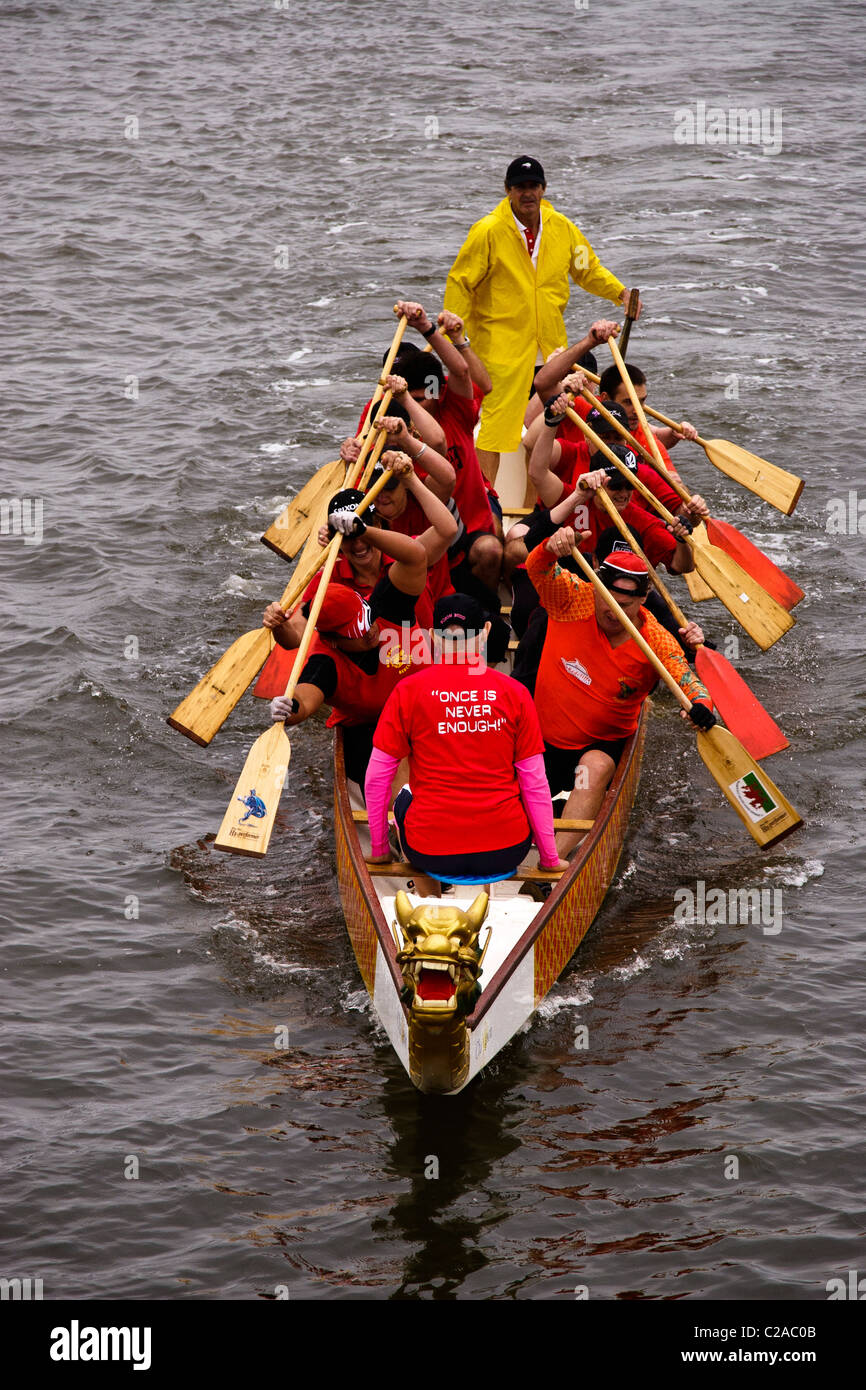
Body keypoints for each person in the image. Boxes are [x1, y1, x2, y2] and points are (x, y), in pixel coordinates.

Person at [444, 155, 642, 480]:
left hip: (550, 346)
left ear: (543, 189)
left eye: (533, 186)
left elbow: (587, 268)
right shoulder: (488, 231)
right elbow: (460, 281)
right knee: (495, 428)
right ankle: (487, 503)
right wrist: (453, 333)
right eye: (520, 187)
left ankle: (540, 505)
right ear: (508, 190)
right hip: (501, 350)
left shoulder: (561, 228)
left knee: (554, 422)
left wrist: (619, 293)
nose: (528, 193)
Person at [525, 529, 715, 856]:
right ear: (597, 587)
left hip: (598, 747)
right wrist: (548, 547)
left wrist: (700, 705)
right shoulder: (571, 596)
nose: (613, 612)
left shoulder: (655, 639)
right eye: (608, 600)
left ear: (643, 600)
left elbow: (688, 681)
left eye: (624, 605)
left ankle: (552, 860)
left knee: (595, 768)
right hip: (541, 738)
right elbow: (537, 567)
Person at [365, 593, 565, 895]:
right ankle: (484, 894)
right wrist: (549, 859)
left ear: (432, 637)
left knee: (405, 795)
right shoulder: (516, 693)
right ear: (485, 632)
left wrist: (379, 850)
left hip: (431, 852)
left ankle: (429, 901)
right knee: (518, 792)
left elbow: (376, 779)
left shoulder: (407, 691)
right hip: (507, 851)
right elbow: (534, 782)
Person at [266, 497, 430, 787]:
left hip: (424, 714)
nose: (370, 631)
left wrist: (363, 530)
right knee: (394, 751)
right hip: (367, 729)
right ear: (332, 640)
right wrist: (287, 710)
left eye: (366, 618)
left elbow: (416, 555)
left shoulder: (386, 604)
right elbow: (303, 702)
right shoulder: (325, 663)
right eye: (356, 630)